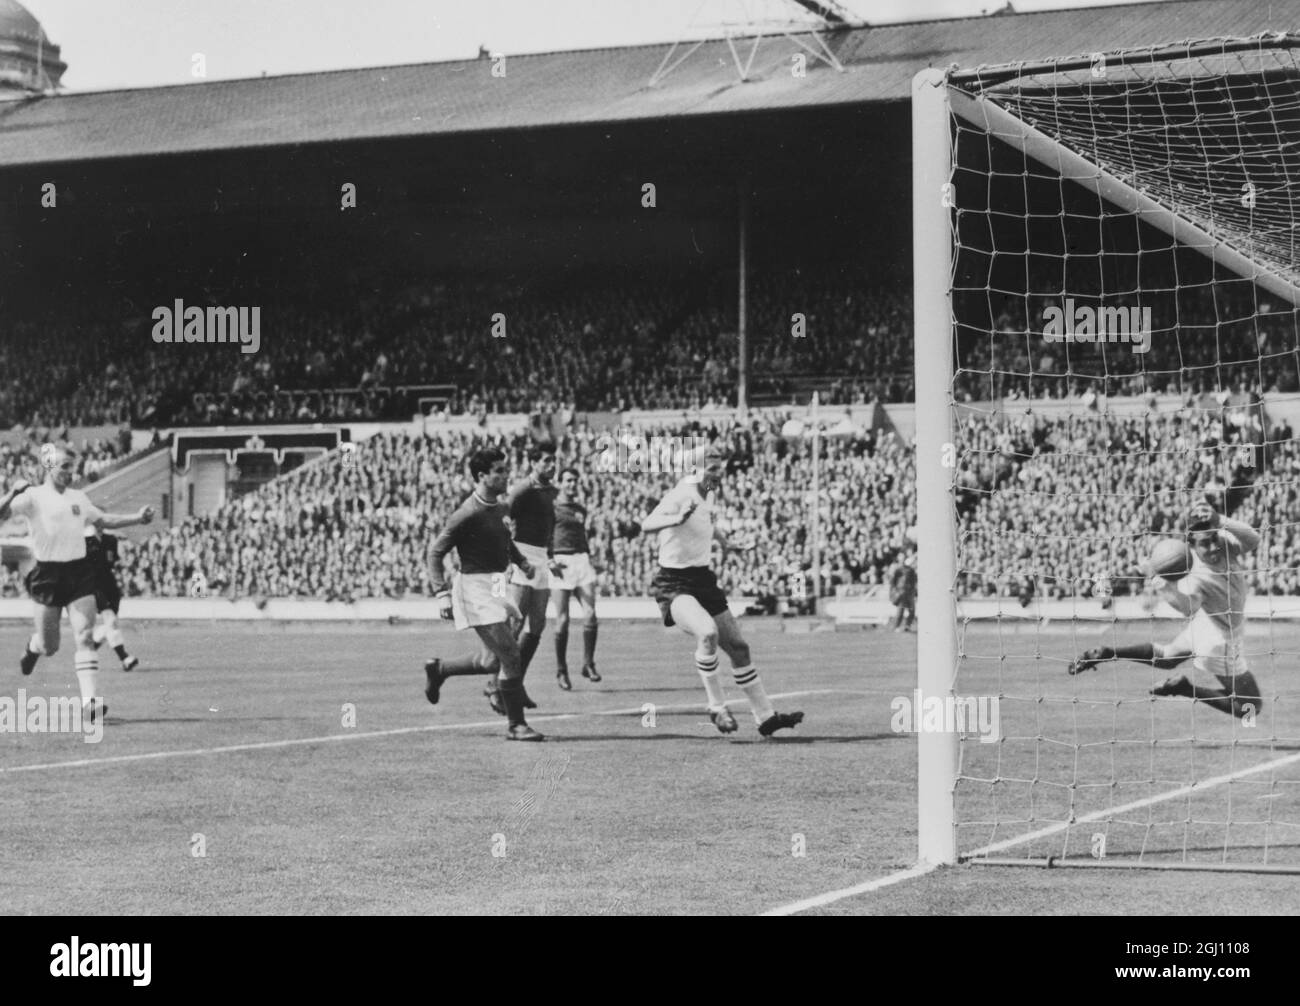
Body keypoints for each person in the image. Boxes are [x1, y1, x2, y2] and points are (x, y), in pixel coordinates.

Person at [640, 446, 803, 737]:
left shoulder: (710, 493)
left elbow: (708, 522)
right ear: (694, 470)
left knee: (739, 648)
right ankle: (716, 707)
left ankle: (765, 717)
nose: (718, 473)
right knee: (707, 633)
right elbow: (647, 524)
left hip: (702, 579)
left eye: (720, 468)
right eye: (712, 468)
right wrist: (674, 519)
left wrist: (726, 543)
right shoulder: (680, 494)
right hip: (674, 582)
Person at [0, 444, 154, 722]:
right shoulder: (32, 496)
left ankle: (90, 703)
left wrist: (137, 517)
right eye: (65, 467)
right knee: (51, 646)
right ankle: (34, 647)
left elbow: (104, 519)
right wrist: (12, 492)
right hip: (47, 575)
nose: (71, 473)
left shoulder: (79, 497)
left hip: (79, 573)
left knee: (84, 635)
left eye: (74, 467)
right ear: (49, 467)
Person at [1067, 501, 1262, 718]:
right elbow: (1188, 607)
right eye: (1205, 543)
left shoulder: (1224, 544)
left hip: (1207, 624)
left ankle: (1108, 652)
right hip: (1221, 640)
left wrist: (1219, 520)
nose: (1213, 546)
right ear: (1191, 542)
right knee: (1249, 709)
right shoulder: (1191, 571)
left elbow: (1253, 539)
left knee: (1167, 657)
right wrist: (1159, 581)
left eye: (1214, 537)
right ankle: (1186, 688)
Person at [422, 447, 543, 741]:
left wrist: (521, 562)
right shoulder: (467, 513)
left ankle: (440, 669)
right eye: (499, 471)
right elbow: (435, 553)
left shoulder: (501, 509)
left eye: (505, 469)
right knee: (511, 654)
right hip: (474, 588)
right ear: (482, 476)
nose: (505, 475)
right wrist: (441, 593)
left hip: (499, 584)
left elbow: (504, 542)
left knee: (493, 660)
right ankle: (516, 725)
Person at [489, 445, 562, 714]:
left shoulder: (552, 492)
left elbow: (549, 527)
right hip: (523, 555)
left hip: (542, 557)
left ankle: (515, 685)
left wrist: (551, 556)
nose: (552, 465)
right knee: (515, 623)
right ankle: (496, 686)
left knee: (538, 624)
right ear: (533, 463)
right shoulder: (521, 490)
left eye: (554, 459)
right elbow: (502, 521)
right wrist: (511, 558)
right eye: (546, 460)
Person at [549, 466, 600, 689]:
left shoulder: (580, 509)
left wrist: (590, 556)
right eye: (568, 480)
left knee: (590, 614)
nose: (572, 484)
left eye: (575, 481)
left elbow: (583, 536)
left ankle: (588, 664)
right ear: (560, 482)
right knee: (562, 620)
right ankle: (561, 670)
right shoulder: (551, 507)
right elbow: (543, 534)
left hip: (581, 561)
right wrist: (548, 559)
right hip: (561, 562)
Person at [85, 527, 139, 670]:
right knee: (111, 620)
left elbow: (115, 561)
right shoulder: (85, 541)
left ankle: (89, 651)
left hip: (110, 585)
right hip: (94, 586)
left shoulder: (111, 540)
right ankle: (125, 658)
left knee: (111, 623)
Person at [889, 551, 917, 632]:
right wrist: (895, 592)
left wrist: (913, 591)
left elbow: (914, 581)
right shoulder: (897, 569)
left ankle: (907, 626)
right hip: (901, 592)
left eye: (903, 557)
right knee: (900, 610)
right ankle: (896, 626)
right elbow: (893, 582)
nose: (902, 558)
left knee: (912, 610)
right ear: (898, 558)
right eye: (900, 557)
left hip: (909, 593)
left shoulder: (910, 569)